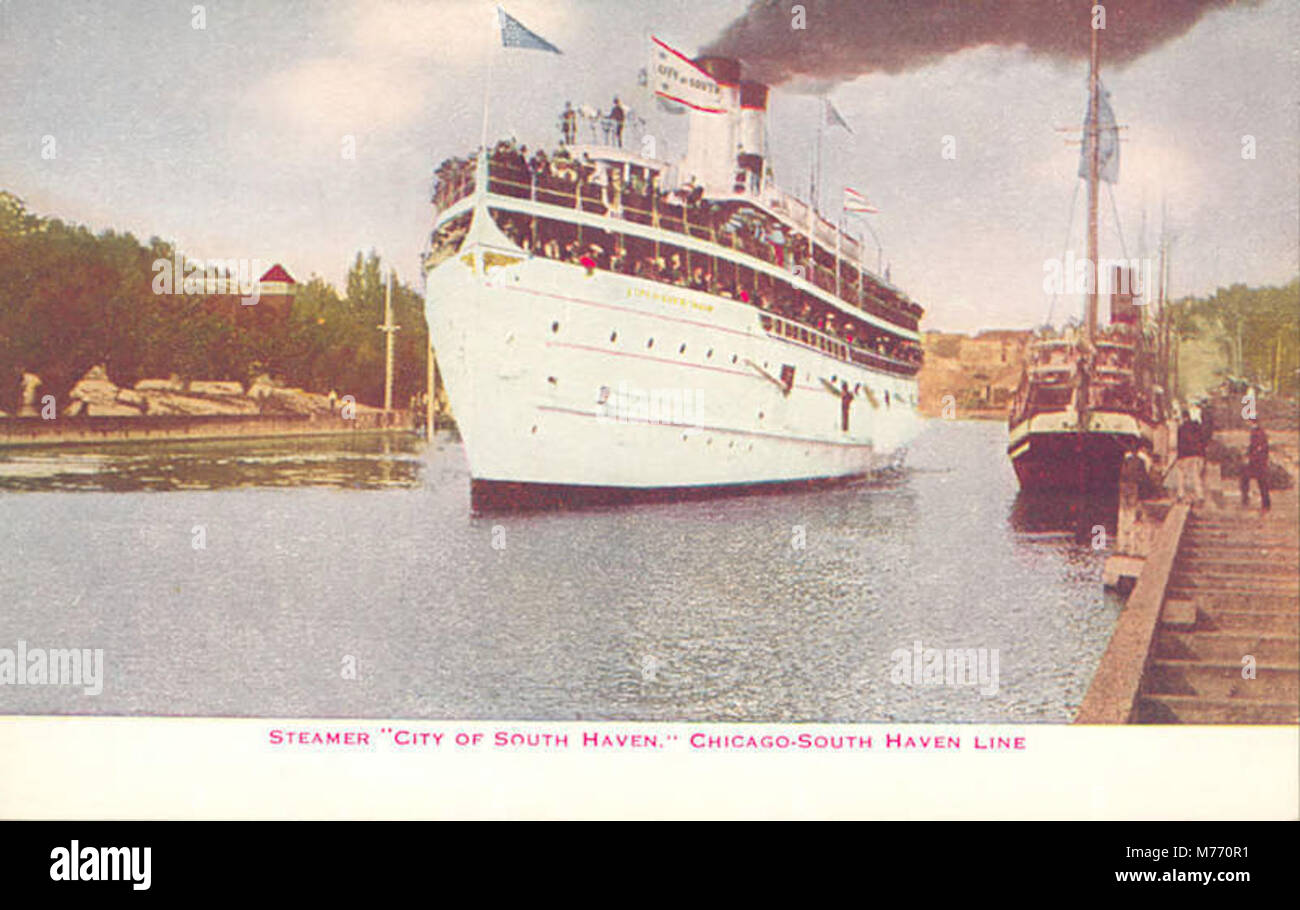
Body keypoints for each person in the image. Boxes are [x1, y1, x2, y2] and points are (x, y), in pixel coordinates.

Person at [1174, 407, 1205, 503]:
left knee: (1181, 475)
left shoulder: (1181, 428)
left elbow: (1180, 444)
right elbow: (1202, 440)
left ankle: (1180, 494)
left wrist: (1179, 458)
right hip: (1198, 454)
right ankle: (1200, 496)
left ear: (1183, 418)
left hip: (1186, 455)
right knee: (1196, 476)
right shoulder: (1197, 427)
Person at [1241, 417, 1271, 512]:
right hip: (1259, 461)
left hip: (1257, 462)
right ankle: (1264, 503)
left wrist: (1249, 457)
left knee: (1258, 482)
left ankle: (1248, 501)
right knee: (1260, 482)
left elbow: (1258, 448)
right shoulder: (1259, 432)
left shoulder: (1257, 432)